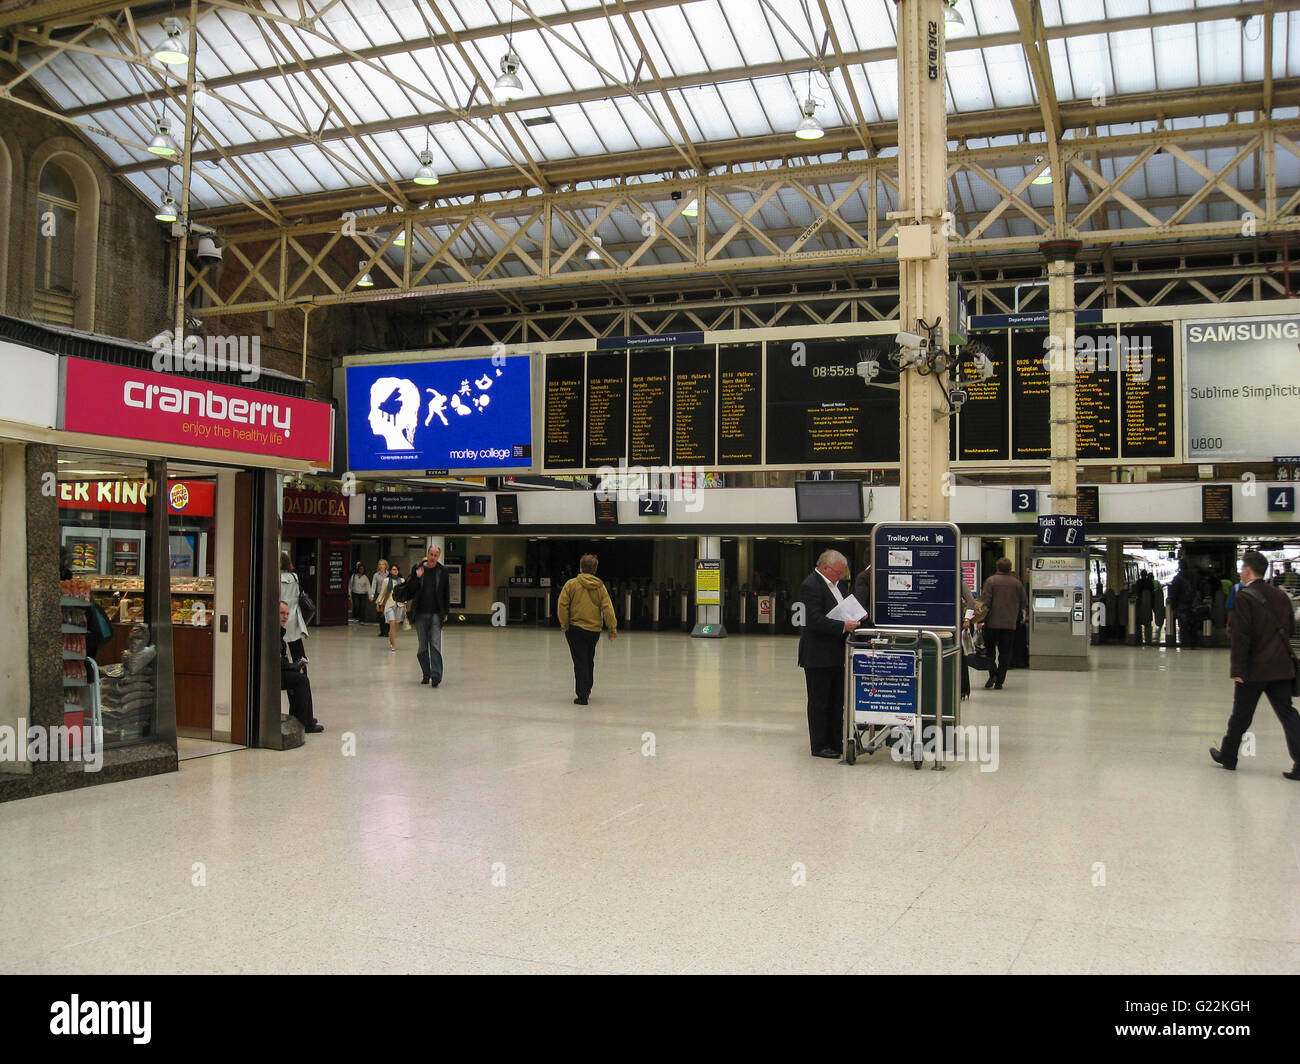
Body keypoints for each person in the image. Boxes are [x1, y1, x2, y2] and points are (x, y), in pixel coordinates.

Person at [1210, 551, 1300, 780]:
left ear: (1248, 571)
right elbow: (1289, 629)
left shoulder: (1245, 596)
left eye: (1242, 569)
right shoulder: (1280, 595)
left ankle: (1228, 757)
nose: (1240, 573)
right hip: (1280, 667)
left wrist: (1237, 670)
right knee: (1288, 714)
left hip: (1254, 669)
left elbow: (1242, 637)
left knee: (1241, 715)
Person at [797, 549, 859, 759]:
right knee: (819, 701)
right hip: (818, 655)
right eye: (838, 572)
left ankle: (835, 740)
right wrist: (843, 626)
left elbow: (841, 609)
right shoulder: (810, 586)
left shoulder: (837, 585)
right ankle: (820, 744)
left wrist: (856, 616)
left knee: (836, 701)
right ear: (825, 568)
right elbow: (813, 619)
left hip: (836, 653)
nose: (841, 576)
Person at [556, 554, 618, 705]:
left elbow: (562, 605)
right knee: (589, 659)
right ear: (595, 569)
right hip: (594, 630)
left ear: (581, 567)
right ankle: (588, 688)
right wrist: (612, 629)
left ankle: (582, 696)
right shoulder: (600, 587)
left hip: (575, 629)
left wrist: (565, 624)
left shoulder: (571, 584)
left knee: (579, 661)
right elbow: (608, 608)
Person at [401, 545, 450, 686]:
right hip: (421, 612)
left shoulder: (443, 571)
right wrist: (417, 578)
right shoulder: (418, 569)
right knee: (423, 646)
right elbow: (410, 589)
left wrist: (445, 612)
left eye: (435, 555)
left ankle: (436, 675)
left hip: (436, 613)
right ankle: (426, 673)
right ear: (427, 554)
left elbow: (446, 592)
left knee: (435, 644)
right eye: (431, 554)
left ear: (438, 556)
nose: (433, 557)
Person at [978, 557, 1027, 690]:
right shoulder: (1017, 583)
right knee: (1005, 653)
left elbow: (985, 602)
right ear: (1010, 568)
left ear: (997, 567)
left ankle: (993, 673)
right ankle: (1000, 680)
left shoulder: (991, 581)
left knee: (990, 652)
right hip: (1009, 624)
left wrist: (980, 620)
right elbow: (1024, 602)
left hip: (992, 623)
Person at [280, 601, 323, 733]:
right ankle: (303, 721)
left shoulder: (280, 632)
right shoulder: (274, 633)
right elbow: (277, 660)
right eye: (282, 613)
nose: (285, 617)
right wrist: (293, 667)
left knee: (301, 676)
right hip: (272, 673)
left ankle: (303, 718)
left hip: (276, 670)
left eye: (287, 614)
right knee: (301, 680)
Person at [279, 552, 308, 662]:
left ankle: (285, 671)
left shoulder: (276, 579)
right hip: (294, 616)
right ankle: (302, 671)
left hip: (281, 617)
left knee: (281, 647)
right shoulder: (294, 577)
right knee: (298, 649)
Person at [1167, 561, 1199, 648]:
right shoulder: (1194, 577)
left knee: (1183, 625)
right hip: (1193, 605)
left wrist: (1173, 607)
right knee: (1192, 624)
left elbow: (1174, 594)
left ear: (1180, 567)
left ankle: (1186, 643)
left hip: (1182, 606)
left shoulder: (1177, 578)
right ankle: (1193, 642)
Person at [378, 563, 405, 653]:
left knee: (395, 626)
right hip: (389, 604)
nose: (395, 571)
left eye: (396, 570)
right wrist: (378, 603)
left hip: (399, 605)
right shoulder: (386, 580)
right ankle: (393, 645)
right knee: (392, 624)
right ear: (390, 571)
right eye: (393, 569)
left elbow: (404, 594)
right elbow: (382, 592)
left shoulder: (402, 581)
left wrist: (405, 605)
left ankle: (392, 636)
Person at [370, 558, 391, 638]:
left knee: (387, 613)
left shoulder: (389, 574)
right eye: (379, 564)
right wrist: (372, 595)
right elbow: (373, 586)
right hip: (380, 595)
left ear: (386, 566)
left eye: (382, 564)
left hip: (388, 595)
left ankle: (387, 631)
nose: (380, 566)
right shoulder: (376, 575)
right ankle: (382, 631)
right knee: (380, 613)